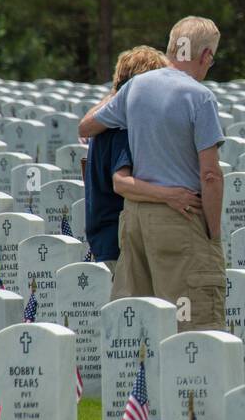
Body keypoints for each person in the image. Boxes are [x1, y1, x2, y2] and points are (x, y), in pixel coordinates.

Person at [79, 16, 226, 331]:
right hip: (181, 217)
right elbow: (211, 175)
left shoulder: (135, 87)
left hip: (134, 223)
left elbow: (87, 127)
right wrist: (212, 236)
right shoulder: (200, 97)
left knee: (140, 326)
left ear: (172, 47)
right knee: (193, 324)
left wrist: (122, 98)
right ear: (206, 57)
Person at [82, 45, 200, 299]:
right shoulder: (123, 127)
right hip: (119, 245)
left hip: (107, 241)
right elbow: (121, 183)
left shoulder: (104, 121)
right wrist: (171, 195)